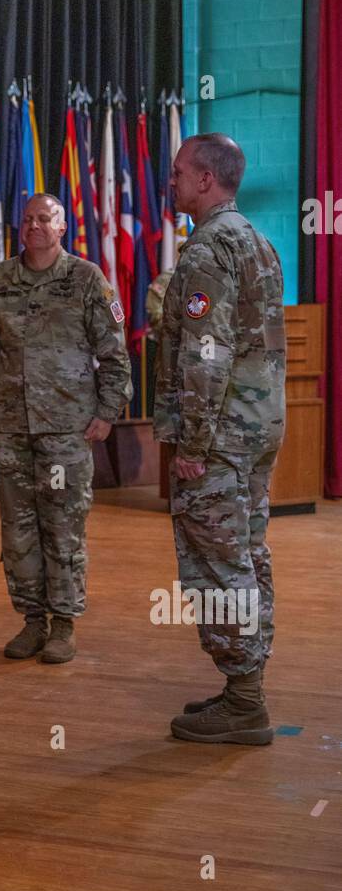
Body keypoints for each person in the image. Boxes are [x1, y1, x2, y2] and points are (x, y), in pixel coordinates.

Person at [154, 133, 286, 745]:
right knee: (248, 551)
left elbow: (207, 356)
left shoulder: (210, 249)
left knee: (217, 563)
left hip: (222, 435)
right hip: (258, 426)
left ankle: (244, 700)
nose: (172, 178)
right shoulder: (257, 241)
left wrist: (193, 444)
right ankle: (244, 685)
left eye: (180, 171)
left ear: (206, 180)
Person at [0, 193, 132, 663]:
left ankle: (64, 624)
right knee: (17, 529)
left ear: (63, 227)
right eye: (28, 219)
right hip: (14, 428)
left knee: (63, 526)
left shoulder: (87, 280)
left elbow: (114, 353)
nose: (35, 226)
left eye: (45, 219)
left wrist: (107, 411)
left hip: (68, 428)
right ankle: (31, 621)